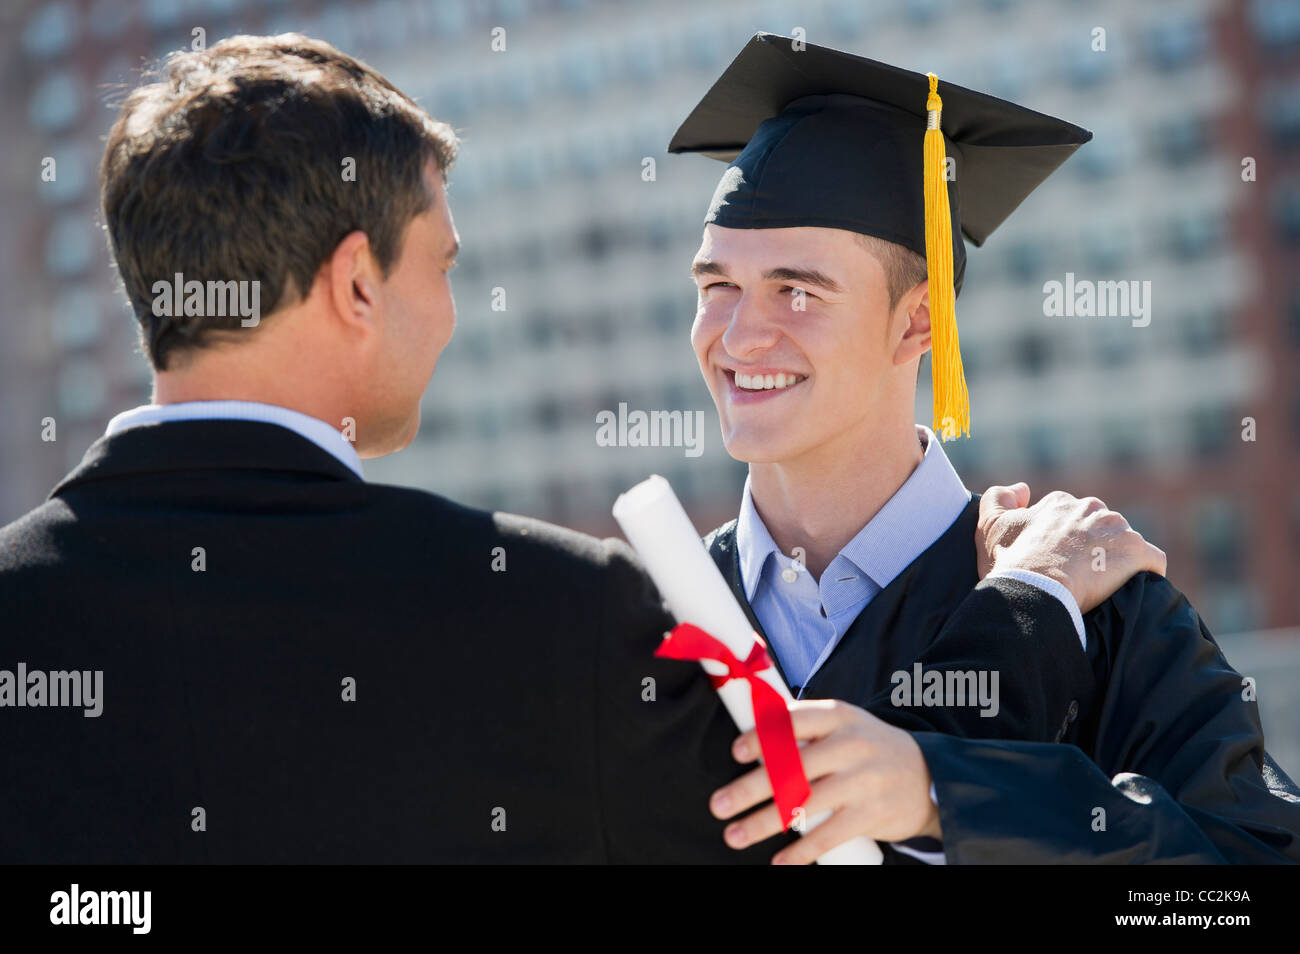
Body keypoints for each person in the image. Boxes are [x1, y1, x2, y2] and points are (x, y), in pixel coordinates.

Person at [0, 33, 1150, 865]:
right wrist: (1034, 608)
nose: (451, 314)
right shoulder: (553, 614)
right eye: (441, 266)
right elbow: (818, 833)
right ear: (356, 280)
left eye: (796, 289)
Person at [672, 34, 1300, 864]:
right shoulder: (657, 622)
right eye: (719, 285)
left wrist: (951, 797)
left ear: (920, 322)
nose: (741, 335)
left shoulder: (1105, 609)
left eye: (797, 290)